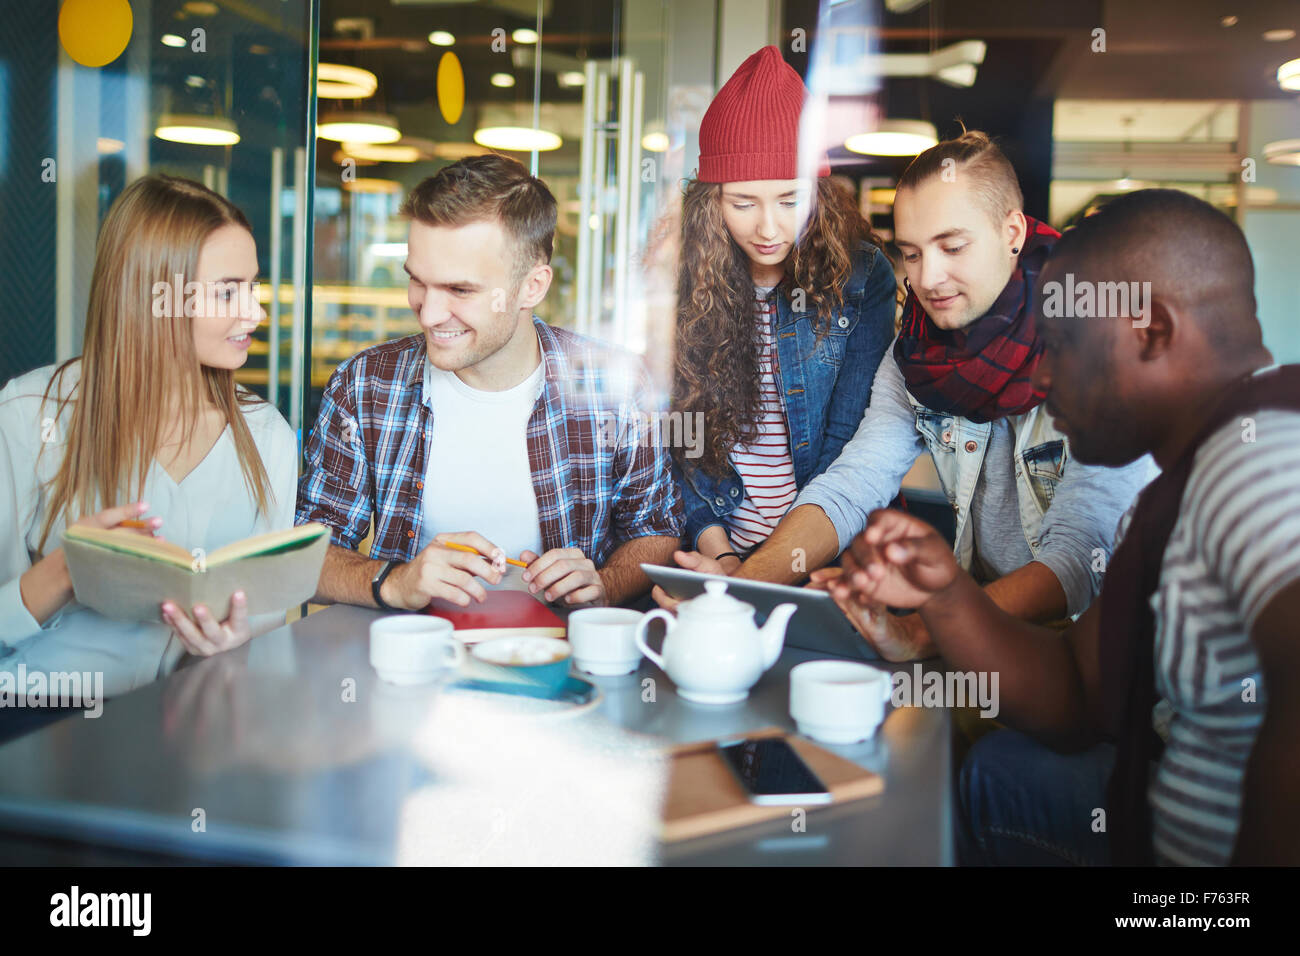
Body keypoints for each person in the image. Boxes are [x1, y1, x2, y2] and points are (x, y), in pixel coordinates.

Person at [833, 188, 1300, 866]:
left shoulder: (1258, 465)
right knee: (995, 769)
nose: (1042, 377)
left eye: (1059, 346)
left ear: (1151, 330)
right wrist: (946, 596)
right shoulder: (1180, 491)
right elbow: (1079, 692)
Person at [692, 131, 1154, 661]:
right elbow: (853, 484)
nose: (929, 278)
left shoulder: (1098, 345)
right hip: (985, 630)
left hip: (1100, 652)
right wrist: (737, 594)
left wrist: (923, 632)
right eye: (911, 253)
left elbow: (1079, 556)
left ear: (1012, 233)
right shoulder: (916, 351)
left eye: (952, 246)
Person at [299, 154, 682, 612]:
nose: (429, 313)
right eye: (418, 282)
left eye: (460, 290)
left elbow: (655, 529)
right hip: (409, 668)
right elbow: (306, 554)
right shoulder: (363, 386)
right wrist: (396, 582)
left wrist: (605, 584)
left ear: (532, 287)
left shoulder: (617, 388)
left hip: (559, 666)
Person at [0, 175, 299, 697]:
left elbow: (266, 637)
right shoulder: (28, 417)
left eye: (252, 287)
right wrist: (72, 567)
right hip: (37, 726)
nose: (256, 313)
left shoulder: (266, 435)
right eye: (228, 291)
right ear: (153, 295)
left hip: (192, 726)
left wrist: (232, 643)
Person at [653, 45, 896, 602]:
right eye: (742, 203)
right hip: (712, 546)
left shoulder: (863, 277)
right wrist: (723, 556)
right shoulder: (677, 280)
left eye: (791, 200)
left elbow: (848, 442)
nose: (768, 227)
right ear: (710, 203)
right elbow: (676, 442)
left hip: (827, 556)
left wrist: (770, 568)